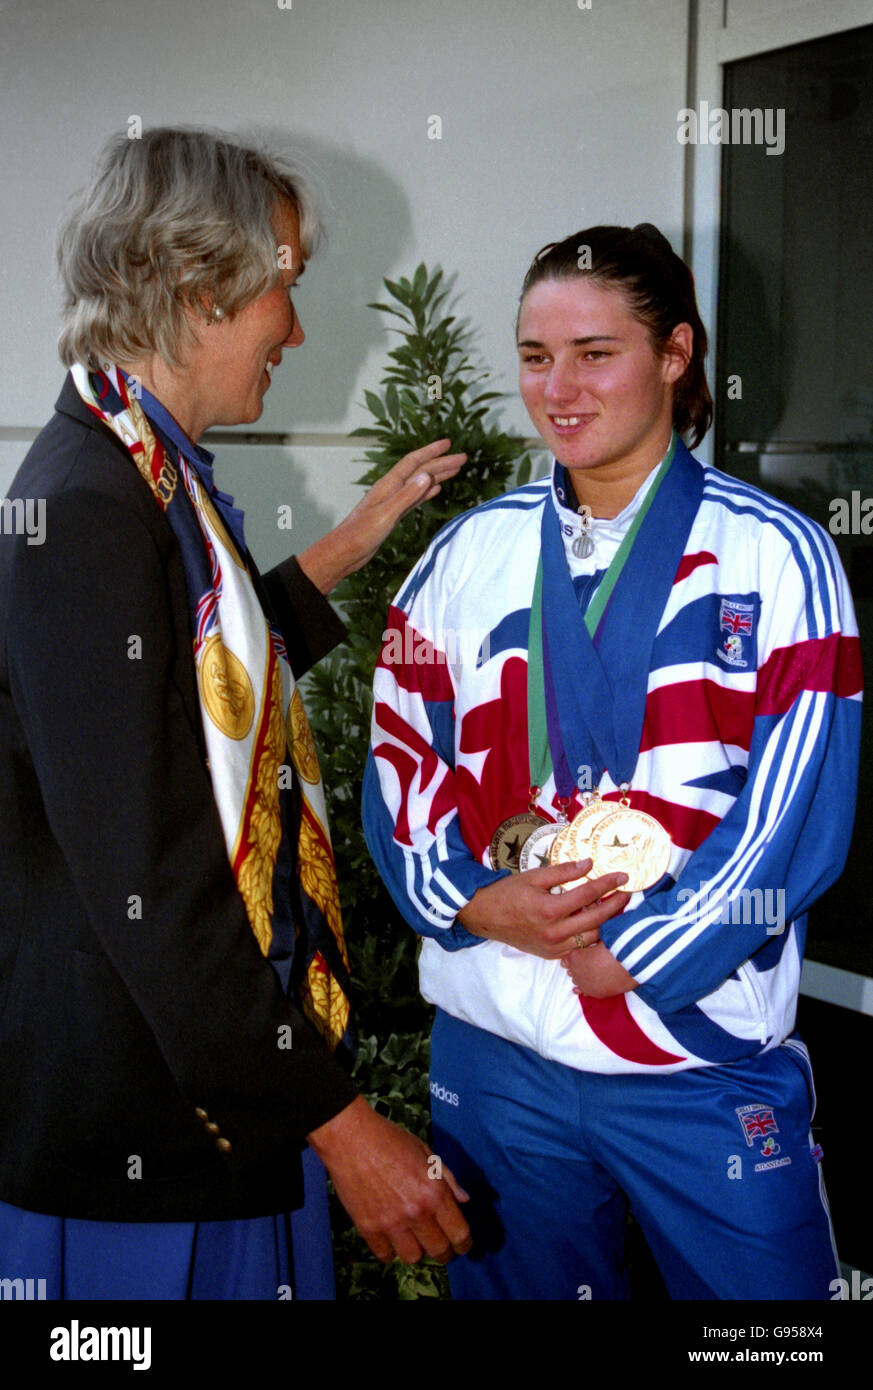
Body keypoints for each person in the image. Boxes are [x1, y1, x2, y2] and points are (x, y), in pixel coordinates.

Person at [0, 126, 472, 1300]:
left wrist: (342, 548)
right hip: (146, 1128)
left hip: (205, 1090)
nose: (297, 329)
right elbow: (145, 875)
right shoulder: (91, 505)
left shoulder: (137, 469)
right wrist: (340, 1120)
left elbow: (195, 688)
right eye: (287, 286)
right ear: (202, 289)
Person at [362, 223, 863, 1299]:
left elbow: (798, 806)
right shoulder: (467, 554)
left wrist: (637, 948)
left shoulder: (776, 553)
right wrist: (477, 902)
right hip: (498, 1052)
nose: (559, 388)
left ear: (677, 354)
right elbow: (399, 758)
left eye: (596, 352)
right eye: (537, 356)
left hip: (692, 1051)